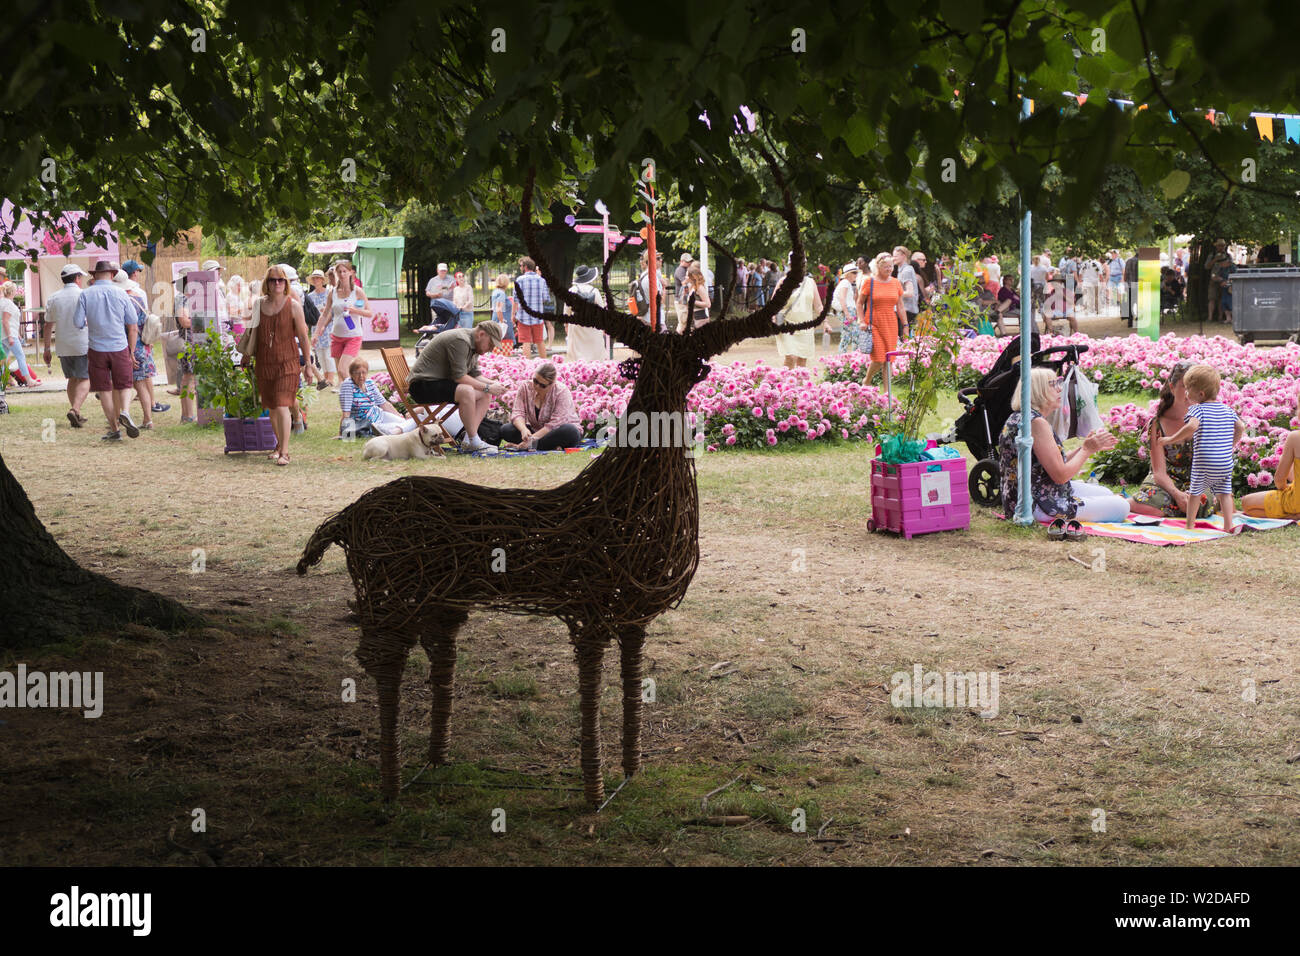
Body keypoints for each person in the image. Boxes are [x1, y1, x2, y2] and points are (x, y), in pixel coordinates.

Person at [998, 367, 1128, 525]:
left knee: (1106, 493)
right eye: (1053, 384)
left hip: (1028, 495)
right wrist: (1087, 450)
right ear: (1038, 391)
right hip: (1037, 505)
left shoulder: (1020, 417)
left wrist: (1085, 447)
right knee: (1122, 506)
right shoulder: (1036, 423)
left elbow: (1052, 464)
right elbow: (1061, 476)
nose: (1060, 388)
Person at [1158, 364, 1244, 532]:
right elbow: (1240, 427)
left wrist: (1170, 439)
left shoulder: (1197, 409)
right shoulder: (1227, 410)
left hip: (1204, 461)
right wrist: (1231, 445)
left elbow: (1191, 427)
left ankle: (1190, 525)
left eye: (1189, 390)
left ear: (1201, 394)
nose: (1187, 394)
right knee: (1225, 493)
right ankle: (1228, 526)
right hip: (1225, 461)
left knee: (1195, 493)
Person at [1131, 361, 1215, 520]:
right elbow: (1159, 473)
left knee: (1200, 504)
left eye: (1197, 387)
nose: (1192, 393)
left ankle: (1172, 508)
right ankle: (1127, 504)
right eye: (1186, 386)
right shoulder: (1157, 423)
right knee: (1151, 505)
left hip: (1198, 481)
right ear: (1171, 386)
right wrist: (1177, 495)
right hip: (1166, 482)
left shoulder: (1207, 418)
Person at [407, 320, 506, 455]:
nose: (491, 349)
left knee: (484, 394)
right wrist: (488, 387)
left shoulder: (473, 345)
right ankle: (474, 441)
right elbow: (459, 377)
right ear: (481, 334)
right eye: (491, 344)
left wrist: (494, 386)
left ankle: (469, 440)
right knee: (467, 391)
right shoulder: (460, 340)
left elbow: (474, 375)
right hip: (422, 386)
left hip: (436, 383)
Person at [247, 264, 311, 466]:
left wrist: (308, 363)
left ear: (286, 283)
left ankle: (285, 452)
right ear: (267, 283)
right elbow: (253, 332)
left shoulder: (293, 305)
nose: (277, 283)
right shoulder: (258, 304)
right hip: (265, 361)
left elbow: (303, 336)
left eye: (281, 280)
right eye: (273, 280)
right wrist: (246, 355)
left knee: (282, 403)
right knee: (272, 406)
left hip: (288, 361)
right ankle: (277, 445)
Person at [73, 260, 141, 440]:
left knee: (104, 390)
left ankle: (115, 429)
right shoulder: (121, 293)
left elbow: (78, 323)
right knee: (125, 385)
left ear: (94, 275)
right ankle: (125, 411)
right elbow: (133, 324)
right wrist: (132, 351)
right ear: (112, 275)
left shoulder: (85, 294)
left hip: (96, 348)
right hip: (119, 346)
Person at [42, 264, 90, 426]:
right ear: (77, 278)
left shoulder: (54, 297)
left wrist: (47, 348)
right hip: (82, 342)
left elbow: (48, 325)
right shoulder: (84, 294)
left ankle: (76, 411)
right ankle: (75, 409)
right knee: (85, 377)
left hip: (63, 344)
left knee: (72, 378)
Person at [501, 361, 583, 451]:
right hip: (536, 431)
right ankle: (545, 446)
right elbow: (518, 413)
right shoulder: (525, 387)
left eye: (542, 385)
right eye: (535, 381)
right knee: (506, 430)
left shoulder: (561, 392)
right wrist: (523, 430)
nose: (537, 386)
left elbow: (554, 425)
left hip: (556, 431)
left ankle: (526, 446)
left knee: (570, 431)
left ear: (552, 384)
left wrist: (531, 440)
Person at [115, 269, 158, 429]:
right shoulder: (138, 297)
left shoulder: (124, 301)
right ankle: (148, 419)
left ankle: (120, 417)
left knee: (124, 385)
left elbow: (130, 329)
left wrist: (130, 352)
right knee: (141, 385)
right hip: (144, 346)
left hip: (131, 347)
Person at [857, 252, 908, 386]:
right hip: (874, 323)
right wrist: (861, 320)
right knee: (879, 359)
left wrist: (905, 325)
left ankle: (887, 394)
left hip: (890, 323)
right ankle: (867, 381)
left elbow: (900, 306)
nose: (889, 269)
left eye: (891, 266)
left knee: (889, 359)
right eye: (886, 266)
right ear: (878, 267)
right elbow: (859, 303)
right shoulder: (869, 281)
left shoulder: (896, 283)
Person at [322, 259, 372, 382]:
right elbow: (329, 313)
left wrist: (355, 311)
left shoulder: (357, 291)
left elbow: (369, 313)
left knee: (342, 370)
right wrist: (321, 327)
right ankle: (348, 397)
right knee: (341, 374)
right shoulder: (332, 292)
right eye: (339, 272)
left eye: (344, 271)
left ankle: (362, 391)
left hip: (353, 335)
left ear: (351, 272)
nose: (342, 274)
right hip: (337, 336)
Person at [338, 360, 417, 436]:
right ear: (351, 374)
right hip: (367, 423)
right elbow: (346, 412)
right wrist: (343, 434)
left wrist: (398, 415)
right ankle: (390, 431)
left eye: (363, 372)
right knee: (398, 428)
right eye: (357, 373)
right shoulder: (348, 385)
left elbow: (384, 404)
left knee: (407, 422)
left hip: (379, 415)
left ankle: (402, 430)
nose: (361, 376)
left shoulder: (369, 383)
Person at [775, 254, 821, 368]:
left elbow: (819, 306)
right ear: (790, 265)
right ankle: (785, 384)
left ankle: (800, 385)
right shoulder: (783, 282)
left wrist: (826, 322)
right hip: (787, 325)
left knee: (802, 360)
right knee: (791, 357)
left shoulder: (811, 282)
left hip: (805, 327)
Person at [1243, 430, 1300, 519]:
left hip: (1297, 502)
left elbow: (1279, 480)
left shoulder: (1295, 437)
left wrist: (1286, 491)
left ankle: (1292, 516)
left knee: (1246, 503)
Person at [564, 265, 608, 361]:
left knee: (577, 353)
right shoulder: (595, 291)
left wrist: (566, 325)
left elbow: (566, 312)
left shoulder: (571, 291)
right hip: (592, 325)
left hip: (576, 325)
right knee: (594, 352)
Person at [515, 256, 550, 358]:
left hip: (523, 316)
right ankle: (545, 363)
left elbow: (516, 299)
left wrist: (513, 314)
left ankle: (527, 366)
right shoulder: (541, 280)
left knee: (526, 342)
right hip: (537, 316)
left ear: (525, 267)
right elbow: (546, 298)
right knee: (540, 341)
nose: (520, 268)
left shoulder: (519, 280)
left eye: (521, 266)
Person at [308, 268, 337, 389]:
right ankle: (326, 379)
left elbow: (333, 310)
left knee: (328, 354)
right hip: (316, 328)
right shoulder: (310, 296)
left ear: (322, 280)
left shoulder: (329, 293)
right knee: (320, 354)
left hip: (328, 327)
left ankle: (331, 379)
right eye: (314, 278)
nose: (316, 280)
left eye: (318, 278)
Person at [833, 262, 862, 353]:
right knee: (853, 334)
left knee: (848, 334)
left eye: (856, 273)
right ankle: (851, 354)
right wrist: (847, 314)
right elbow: (842, 298)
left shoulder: (846, 283)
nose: (856, 275)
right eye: (854, 273)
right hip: (847, 311)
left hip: (849, 311)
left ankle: (845, 354)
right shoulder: (845, 283)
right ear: (848, 274)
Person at [1205, 239, 1234, 324]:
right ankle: (1210, 318)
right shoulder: (1212, 255)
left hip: (1224, 279)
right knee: (1212, 298)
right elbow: (1206, 266)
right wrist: (1215, 259)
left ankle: (1220, 317)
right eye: (1219, 245)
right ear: (1216, 246)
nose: (1221, 247)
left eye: (1223, 245)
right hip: (1214, 279)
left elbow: (1232, 266)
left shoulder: (1228, 256)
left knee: (1222, 299)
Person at [892, 246, 919, 336]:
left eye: (896, 256)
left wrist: (893, 294)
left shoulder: (906, 271)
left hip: (907, 310)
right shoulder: (903, 269)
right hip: (906, 309)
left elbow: (910, 292)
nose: (893, 258)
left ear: (903, 256)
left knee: (903, 339)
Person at [681, 262, 710, 330]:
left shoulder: (700, 288)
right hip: (693, 318)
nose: (685, 277)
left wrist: (693, 301)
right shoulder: (691, 286)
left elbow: (708, 304)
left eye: (687, 275)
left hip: (700, 319)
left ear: (693, 276)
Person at [490, 272, 517, 345]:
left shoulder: (495, 291)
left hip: (496, 318)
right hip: (503, 320)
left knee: (497, 341)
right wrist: (502, 322)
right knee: (506, 343)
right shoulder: (501, 293)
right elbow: (499, 309)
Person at [673, 253, 692, 333]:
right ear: (681, 261)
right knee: (683, 323)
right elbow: (684, 282)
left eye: (690, 261)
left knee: (684, 323)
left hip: (682, 300)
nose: (689, 263)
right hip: (681, 300)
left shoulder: (685, 269)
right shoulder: (680, 270)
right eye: (687, 261)